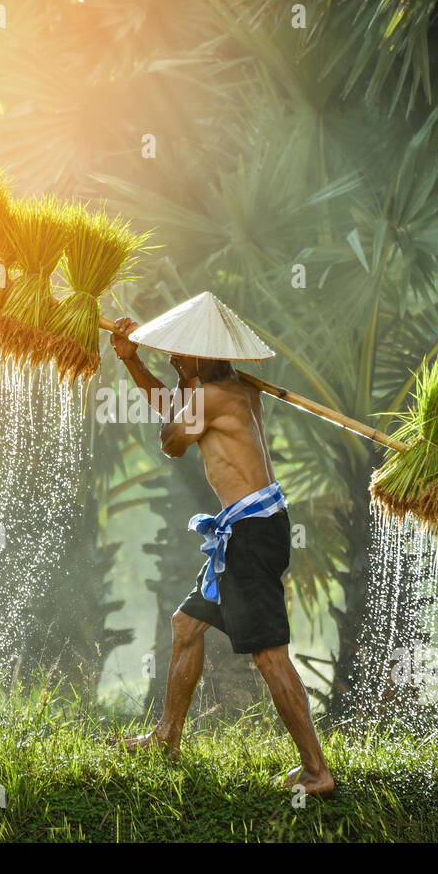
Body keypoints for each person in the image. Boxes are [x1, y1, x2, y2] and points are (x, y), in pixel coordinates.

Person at [106, 292, 334, 795]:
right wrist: (134, 361)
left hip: (250, 535)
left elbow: (171, 441)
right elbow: (177, 409)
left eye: (180, 353)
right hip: (252, 527)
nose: (173, 358)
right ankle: (167, 737)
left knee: (270, 655)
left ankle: (317, 771)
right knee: (187, 625)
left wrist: (178, 383)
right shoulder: (236, 391)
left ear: (202, 356)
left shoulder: (210, 397)